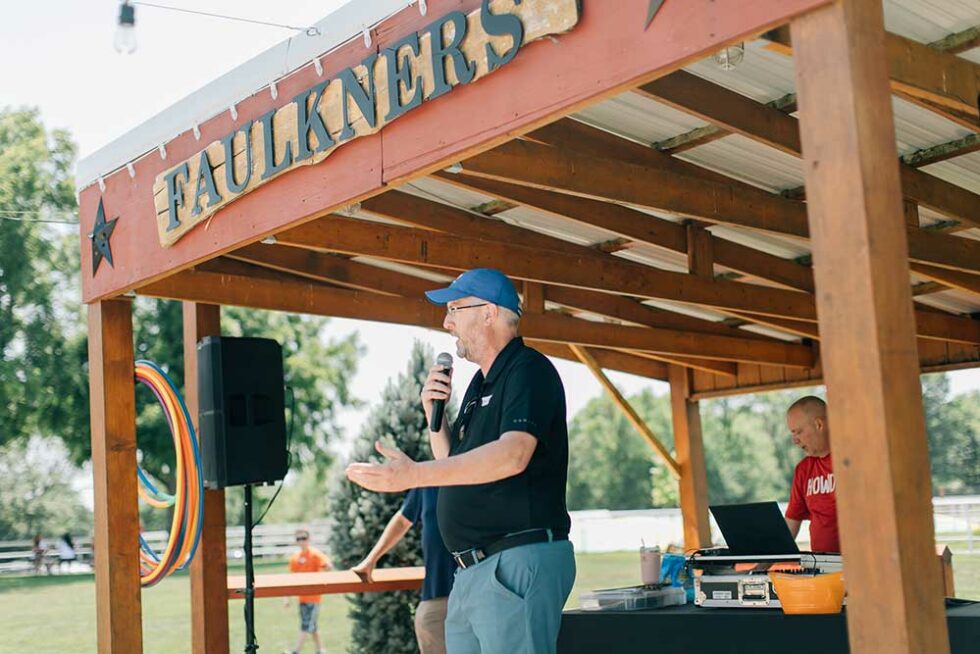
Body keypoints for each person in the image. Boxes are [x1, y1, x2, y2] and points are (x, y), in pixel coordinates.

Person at [347, 268, 575, 654]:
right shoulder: (479, 384)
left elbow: (513, 455)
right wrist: (434, 418)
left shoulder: (528, 370)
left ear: (488, 312)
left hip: (512, 561)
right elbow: (457, 467)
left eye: (454, 308)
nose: (446, 321)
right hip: (472, 571)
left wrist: (414, 475)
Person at [352, 487, 457, 654]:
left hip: (477, 592)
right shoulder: (426, 479)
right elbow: (402, 520)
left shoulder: (477, 470)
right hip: (436, 595)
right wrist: (371, 559)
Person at [784, 396, 840, 553]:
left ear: (819, 424)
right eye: (792, 433)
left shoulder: (851, 460)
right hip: (822, 568)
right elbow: (791, 524)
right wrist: (761, 566)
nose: (795, 440)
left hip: (862, 566)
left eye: (798, 432)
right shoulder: (803, 470)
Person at [284, 529, 331, 654]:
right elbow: (291, 579)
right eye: (298, 539)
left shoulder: (315, 554)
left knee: (306, 625)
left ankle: (295, 651)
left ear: (309, 539)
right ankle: (321, 650)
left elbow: (327, 565)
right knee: (312, 625)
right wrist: (287, 597)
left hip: (314, 597)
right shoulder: (294, 558)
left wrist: (327, 566)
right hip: (302, 597)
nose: (301, 541)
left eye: (304, 538)